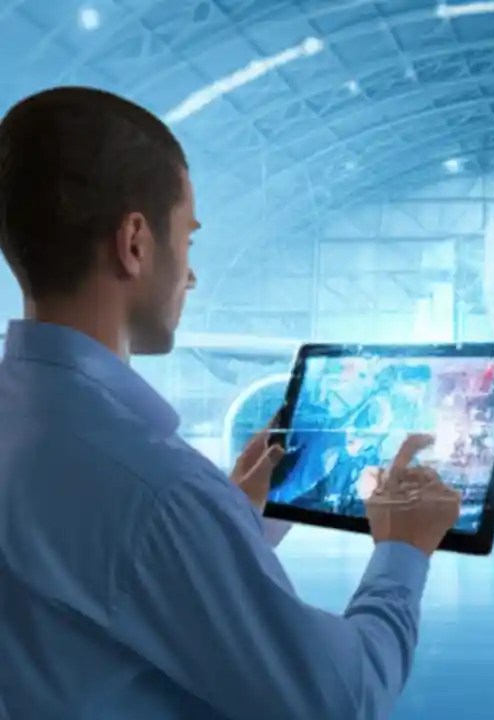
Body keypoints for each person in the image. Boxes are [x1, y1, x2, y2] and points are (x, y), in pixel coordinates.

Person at [0, 86, 462, 718]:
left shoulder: (25, 420)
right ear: (134, 242)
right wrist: (402, 550)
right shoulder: (156, 489)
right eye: (187, 239)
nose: (190, 274)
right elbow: (340, 698)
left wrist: (230, 519)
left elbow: (90, 607)